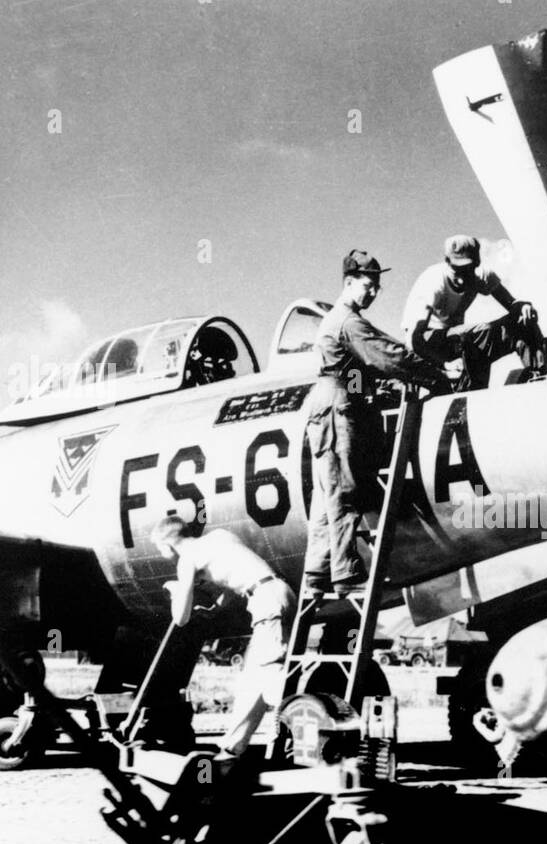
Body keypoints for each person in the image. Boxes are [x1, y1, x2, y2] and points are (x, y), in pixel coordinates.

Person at [304, 249, 447, 597]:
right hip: (337, 409)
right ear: (350, 282)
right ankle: (347, 573)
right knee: (345, 492)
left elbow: (351, 372)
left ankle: (318, 572)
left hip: (331, 400)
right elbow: (388, 354)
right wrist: (436, 377)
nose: (373, 292)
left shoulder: (336, 323)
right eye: (369, 285)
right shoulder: (348, 322)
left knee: (328, 498)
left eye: (377, 287)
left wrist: (375, 388)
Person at [151, 516, 290, 768]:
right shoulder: (220, 537)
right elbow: (238, 578)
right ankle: (231, 749)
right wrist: (215, 608)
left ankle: (318, 721)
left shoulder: (187, 560)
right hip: (280, 592)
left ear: (166, 545)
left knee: (272, 681)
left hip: (266, 604)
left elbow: (180, 619)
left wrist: (175, 590)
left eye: (159, 548)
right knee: (253, 678)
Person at [402, 234, 547, 391]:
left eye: (468, 270)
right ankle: (467, 390)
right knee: (479, 333)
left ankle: (544, 376)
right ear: (447, 261)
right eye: (458, 270)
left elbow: (512, 304)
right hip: (429, 344)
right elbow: (413, 340)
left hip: (461, 341)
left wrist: (522, 306)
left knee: (520, 321)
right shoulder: (433, 281)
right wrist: (445, 364)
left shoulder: (480, 276)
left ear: (476, 263)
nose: (462, 278)